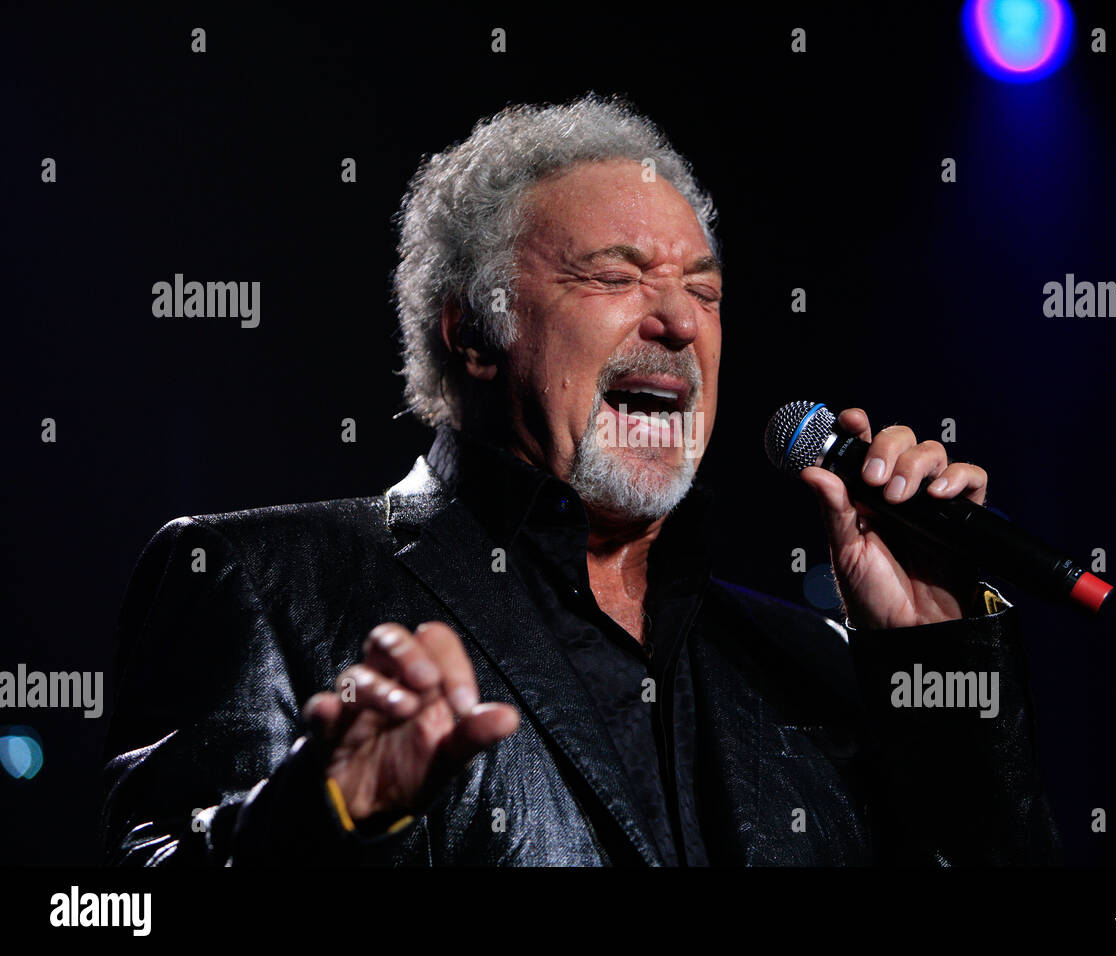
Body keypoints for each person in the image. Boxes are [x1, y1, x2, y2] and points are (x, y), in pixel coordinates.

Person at [101, 93, 1062, 866]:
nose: (680, 322)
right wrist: (326, 821)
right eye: (616, 277)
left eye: (704, 289)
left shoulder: (809, 655)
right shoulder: (266, 581)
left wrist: (939, 665)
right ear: (473, 330)